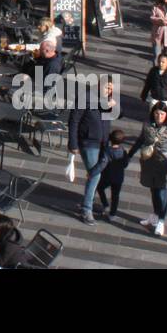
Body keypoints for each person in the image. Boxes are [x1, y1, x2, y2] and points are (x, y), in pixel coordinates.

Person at [128, 102, 167, 236]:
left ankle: (161, 220)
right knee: (153, 189)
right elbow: (140, 140)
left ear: (166, 114)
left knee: (162, 192)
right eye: (156, 113)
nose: (159, 116)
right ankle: (155, 214)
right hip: (149, 161)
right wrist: (129, 155)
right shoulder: (146, 124)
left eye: (162, 114)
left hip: (164, 164)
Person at [68, 78, 115, 225]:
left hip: (103, 142)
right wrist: (73, 143)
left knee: (97, 174)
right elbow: (74, 120)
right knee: (95, 174)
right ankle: (87, 209)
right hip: (88, 142)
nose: (108, 91)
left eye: (111, 89)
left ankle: (86, 203)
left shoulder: (107, 100)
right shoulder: (85, 97)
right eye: (106, 88)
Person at [95, 128, 131, 221]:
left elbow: (102, 163)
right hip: (118, 178)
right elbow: (125, 164)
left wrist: (93, 172)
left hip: (107, 176)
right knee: (115, 196)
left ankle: (105, 204)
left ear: (110, 139)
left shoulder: (107, 150)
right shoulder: (123, 151)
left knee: (100, 187)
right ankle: (112, 214)